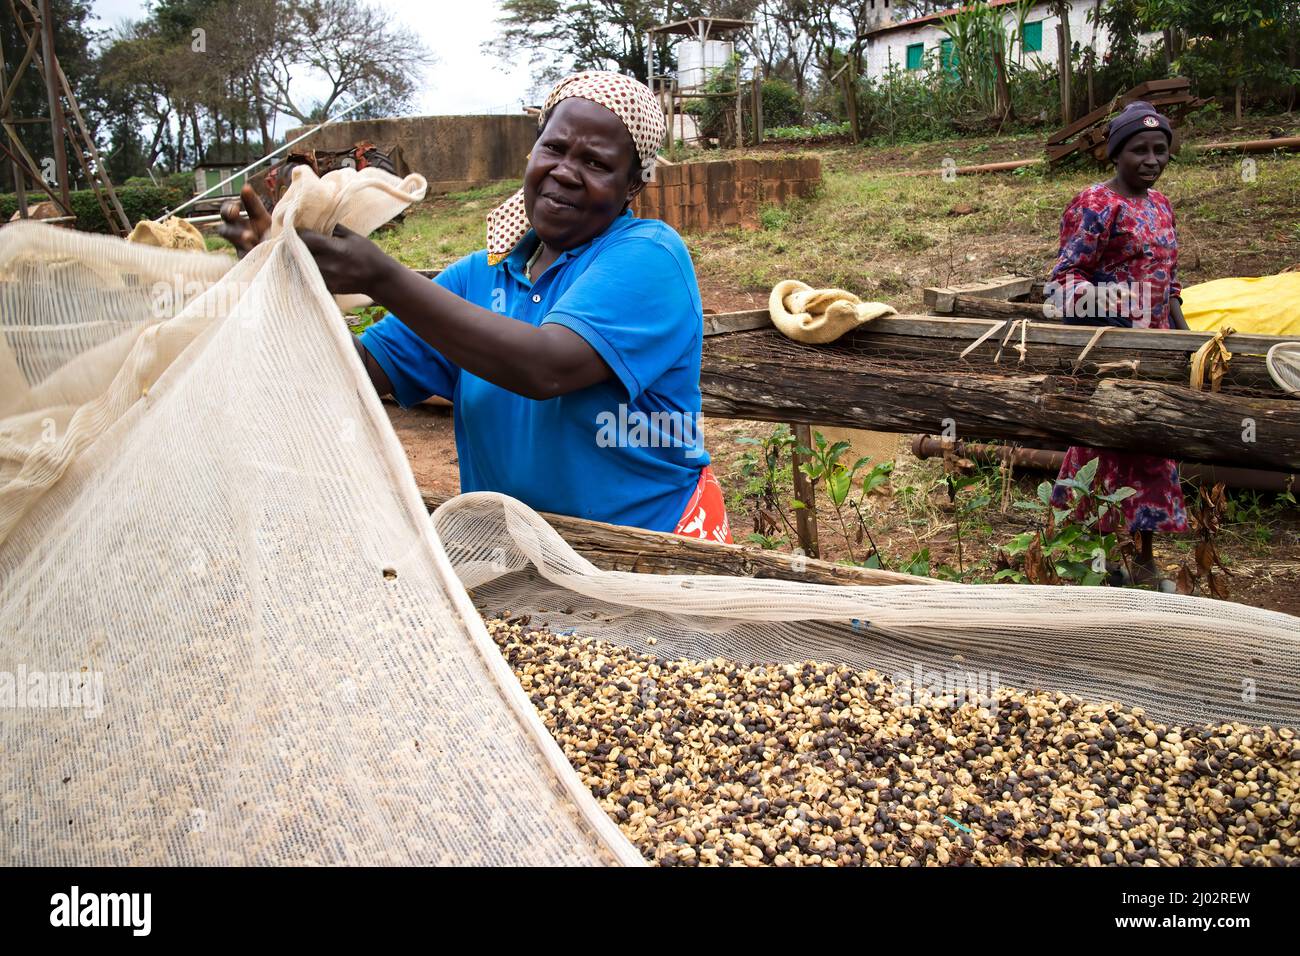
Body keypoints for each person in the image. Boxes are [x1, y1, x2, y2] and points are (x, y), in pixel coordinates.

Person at [220, 71, 729, 542]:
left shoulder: (649, 255)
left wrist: (380, 276)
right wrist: (285, 278)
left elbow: (545, 367)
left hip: (649, 550)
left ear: (633, 185)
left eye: (596, 163)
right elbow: (360, 371)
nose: (565, 173)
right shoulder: (479, 274)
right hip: (514, 560)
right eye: (553, 148)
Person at [1047, 101, 1188, 586]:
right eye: (1139, 150)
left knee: (1150, 447)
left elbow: (1169, 282)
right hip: (1110, 350)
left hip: (1157, 352)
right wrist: (1117, 309)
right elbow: (1064, 279)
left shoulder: (1161, 205)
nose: (1151, 159)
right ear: (1115, 153)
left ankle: (1145, 565)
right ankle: (1098, 563)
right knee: (1102, 451)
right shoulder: (1095, 205)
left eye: (1160, 150)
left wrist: (1184, 341)